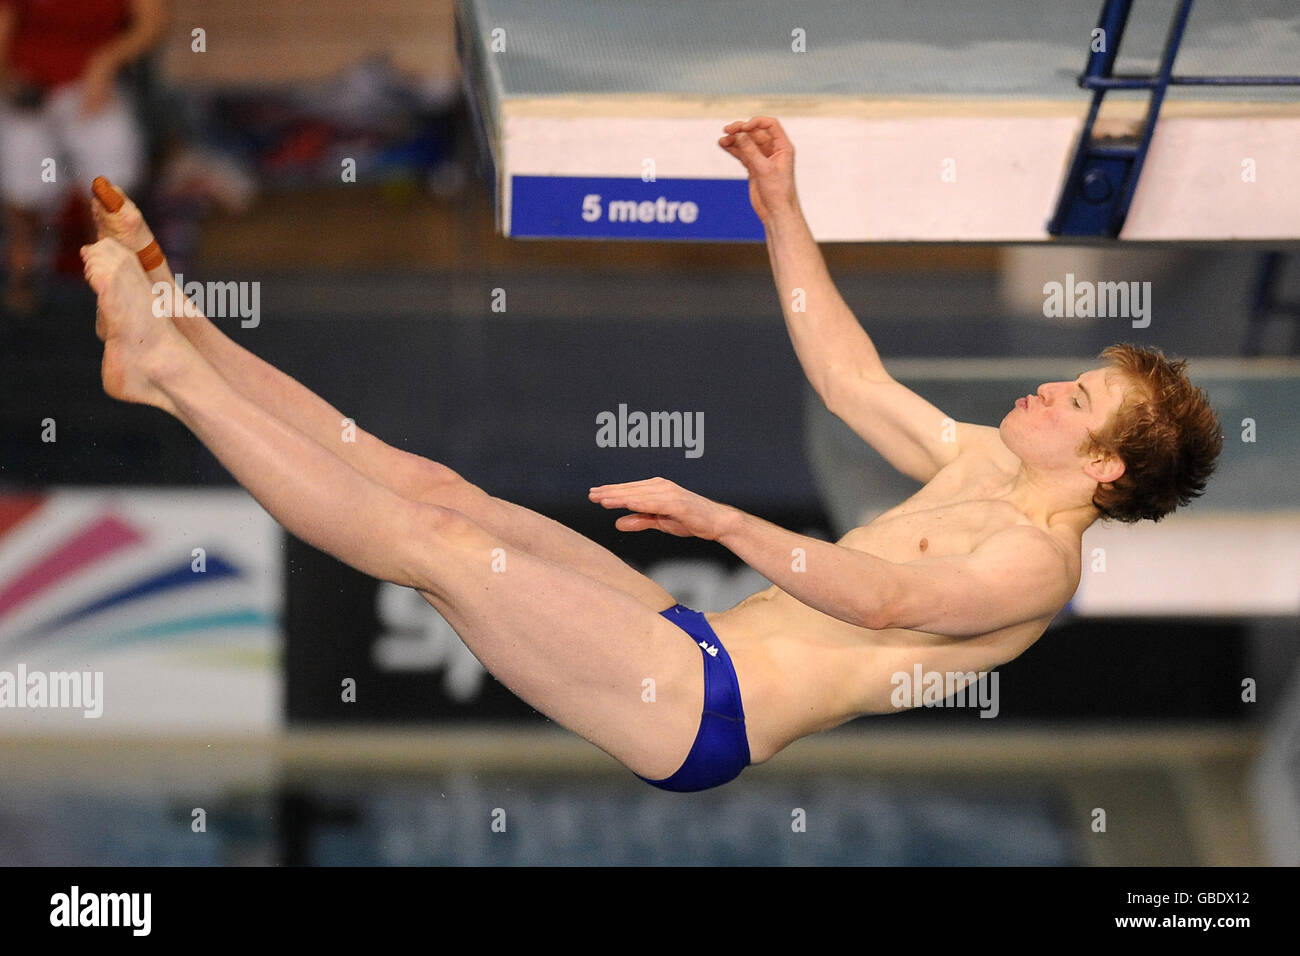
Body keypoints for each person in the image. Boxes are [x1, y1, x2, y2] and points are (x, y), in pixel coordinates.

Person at [78, 116, 1223, 792]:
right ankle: (178, 314)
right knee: (434, 488)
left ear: (1107, 468)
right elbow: (846, 375)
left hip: (700, 706)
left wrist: (727, 524)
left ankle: (164, 377)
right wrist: (779, 207)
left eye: (1074, 398)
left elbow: (879, 599)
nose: (1046, 386)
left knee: (438, 546)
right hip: (690, 639)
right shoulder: (979, 458)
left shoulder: (1038, 569)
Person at [0, 0, 165, 315]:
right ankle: (23, 265)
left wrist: (107, 60)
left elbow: (153, 22)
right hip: (29, 88)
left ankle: (113, 277)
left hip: (94, 88)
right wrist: (11, 84)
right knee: (22, 165)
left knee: (110, 173)